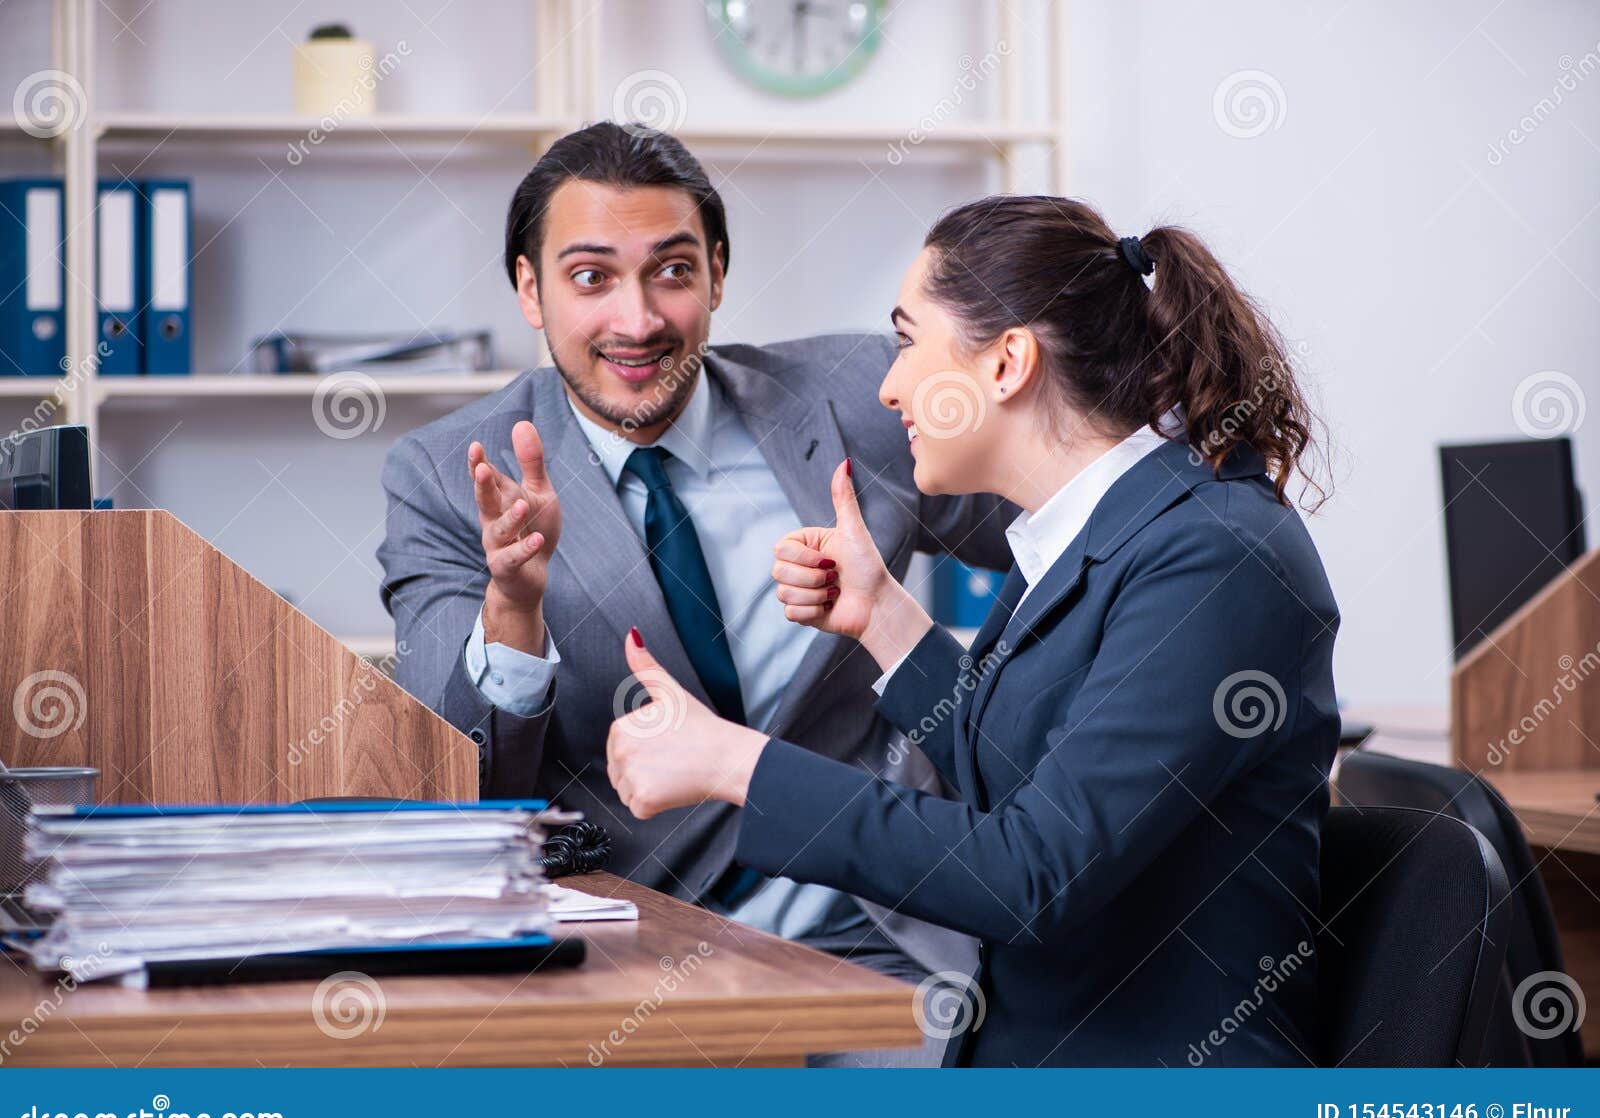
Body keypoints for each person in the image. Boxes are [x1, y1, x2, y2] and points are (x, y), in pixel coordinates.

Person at [602, 194, 1341, 1067]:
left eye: (909, 341)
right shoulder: (1085, 536)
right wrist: (884, 620)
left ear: (1007, 364)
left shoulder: (1215, 558)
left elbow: (1034, 872)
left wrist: (736, 762)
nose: (887, 385)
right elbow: (1023, 781)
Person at [376, 123, 1018, 1064]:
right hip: (624, 952)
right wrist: (512, 608)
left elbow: (1075, 524)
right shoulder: (443, 472)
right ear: (529, 290)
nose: (637, 322)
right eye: (591, 278)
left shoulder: (860, 400)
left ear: (717, 274)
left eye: (671, 272)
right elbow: (459, 790)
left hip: (875, 932)